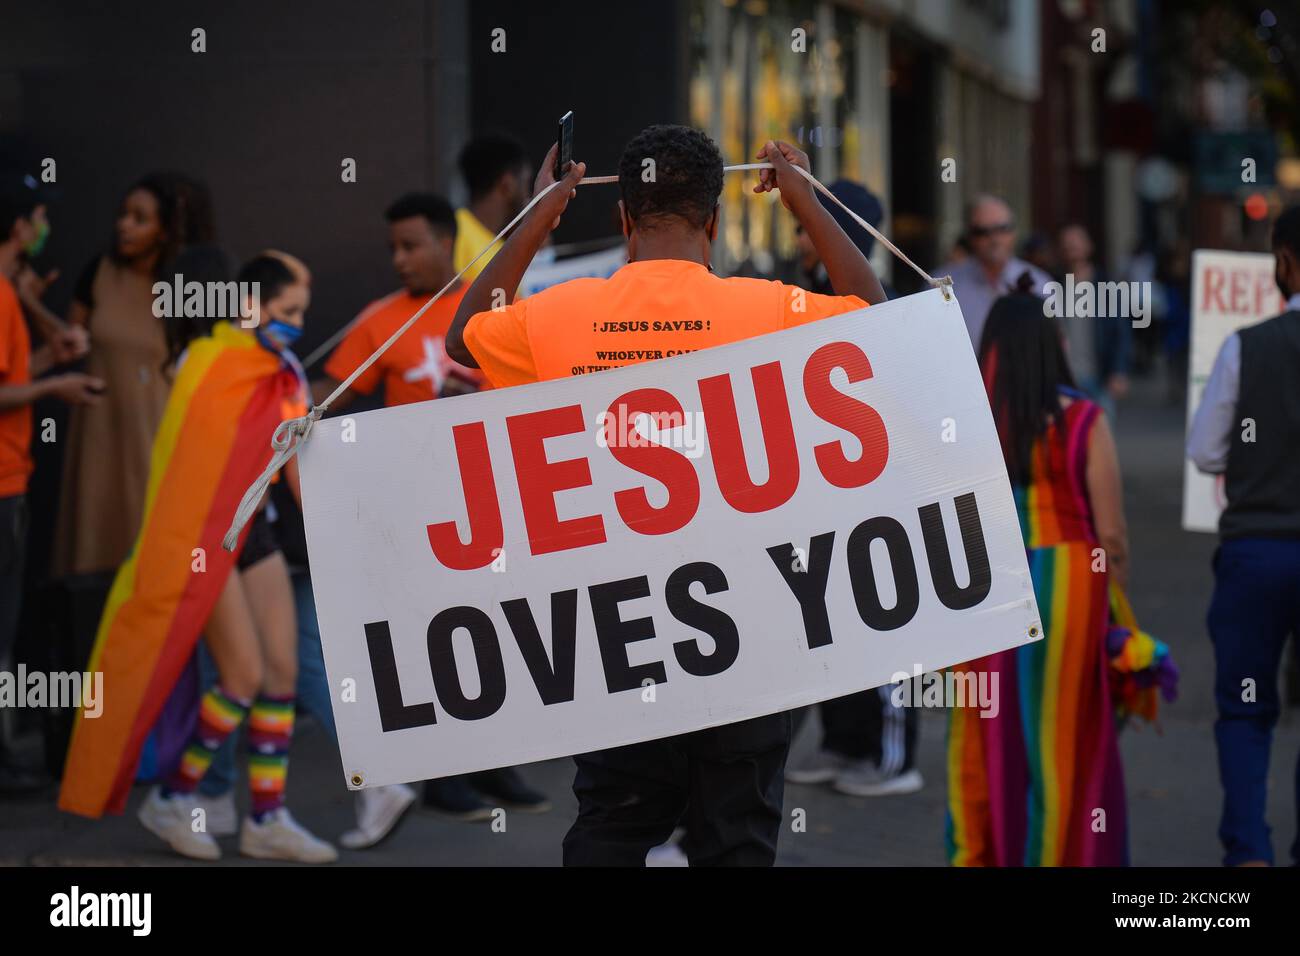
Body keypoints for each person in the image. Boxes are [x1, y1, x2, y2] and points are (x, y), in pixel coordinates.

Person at [446, 124, 885, 866]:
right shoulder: (771, 311)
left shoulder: (557, 317)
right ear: (714, 219)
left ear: (621, 218)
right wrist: (806, 202)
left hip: (617, 632)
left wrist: (542, 212)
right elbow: (879, 321)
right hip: (751, 624)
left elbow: (464, 339)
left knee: (611, 830)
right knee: (735, 838)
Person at [317, 192, 549, 823]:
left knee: (502, 630)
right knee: (432, 640)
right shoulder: (378, 319)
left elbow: (531, 392)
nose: (400, 259)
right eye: (393, 247)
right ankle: (445, 778)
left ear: (447, 243)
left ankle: (498, 766)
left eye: (412, 245)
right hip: (411, 509)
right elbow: (327, 401)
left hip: (491, 497)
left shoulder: (493, 304)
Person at [946, 282, 1133, 866]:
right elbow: (1112, 536)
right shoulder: (1082, 420)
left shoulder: (970, 420)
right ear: (1053, 343)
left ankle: (982, 855)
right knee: (1061, 739)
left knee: (985, 738)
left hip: (987, 585)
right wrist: (1117, 608)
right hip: (1069, 581)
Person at [1187, 205, 1300, 867]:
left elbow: (1206, 452)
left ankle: (1249, 851)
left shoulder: (1245, 345)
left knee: (1245, 709)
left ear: (1284, 260)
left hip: (1256, 552)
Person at [52, 173, 213, 583]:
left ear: (168, 230)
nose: (124, 224)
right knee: (95, 566)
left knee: (157, 567)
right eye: (123, 214)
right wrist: (27, 300)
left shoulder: (188, 288)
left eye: (140, 218)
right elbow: (67, 342)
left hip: (159, 439)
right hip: (98, 438)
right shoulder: (99, 272)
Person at [0, 174, 100, 791]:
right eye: (38, 216)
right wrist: (54, 387)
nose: (44, 228)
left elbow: (12, 375)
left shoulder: (11, 292)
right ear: (18, 226)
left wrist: (49, 362)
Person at [941, 194, 1050, 348]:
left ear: (1014, 232)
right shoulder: (943, 286)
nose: (994, 239)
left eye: (1002, 229)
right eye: (983, 232)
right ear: (970, 237)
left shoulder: (1041, 285)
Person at [1056, 223, 1130, 420]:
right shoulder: (1052, 285)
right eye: (1067, 244)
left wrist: (1119, 370)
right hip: (1064, 380)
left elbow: (1121, 331)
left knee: (1101, 442)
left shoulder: (1106, 285)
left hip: (1099, 377)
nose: (1071, 248)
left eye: (1076, 242)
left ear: (1089, 246)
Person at [454, 134, 532, 283]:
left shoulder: (497, 242)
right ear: (507, 185)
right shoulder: (457, 234)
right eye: (526, 183)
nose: (528, 196)